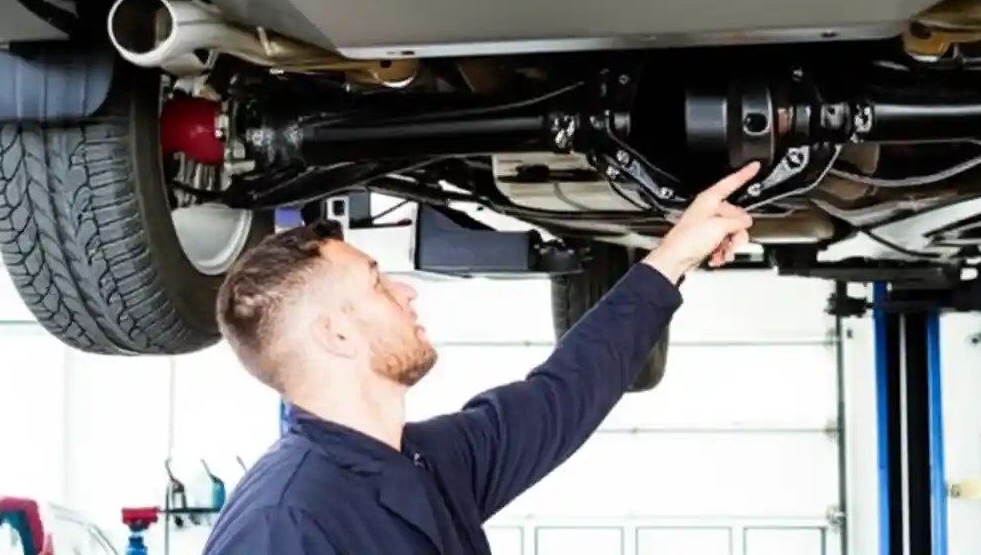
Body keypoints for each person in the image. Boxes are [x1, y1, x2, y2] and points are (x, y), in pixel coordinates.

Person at [202, 162, 761, 554]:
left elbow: (562, 395)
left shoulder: (423, 460)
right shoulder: (283, 525)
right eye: (377, 283)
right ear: (337, 336)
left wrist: (672, 255)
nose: (408, 293)